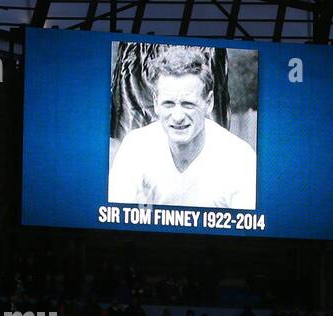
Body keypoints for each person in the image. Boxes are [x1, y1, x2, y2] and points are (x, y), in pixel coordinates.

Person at [108, 46, 256, 209]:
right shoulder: (134, 148)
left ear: (209, 102)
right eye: (168, 104)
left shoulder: (239, 157)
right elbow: (113, 225)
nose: (178, 117)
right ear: (156, 103)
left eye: (188, 104)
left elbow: (249, 232)